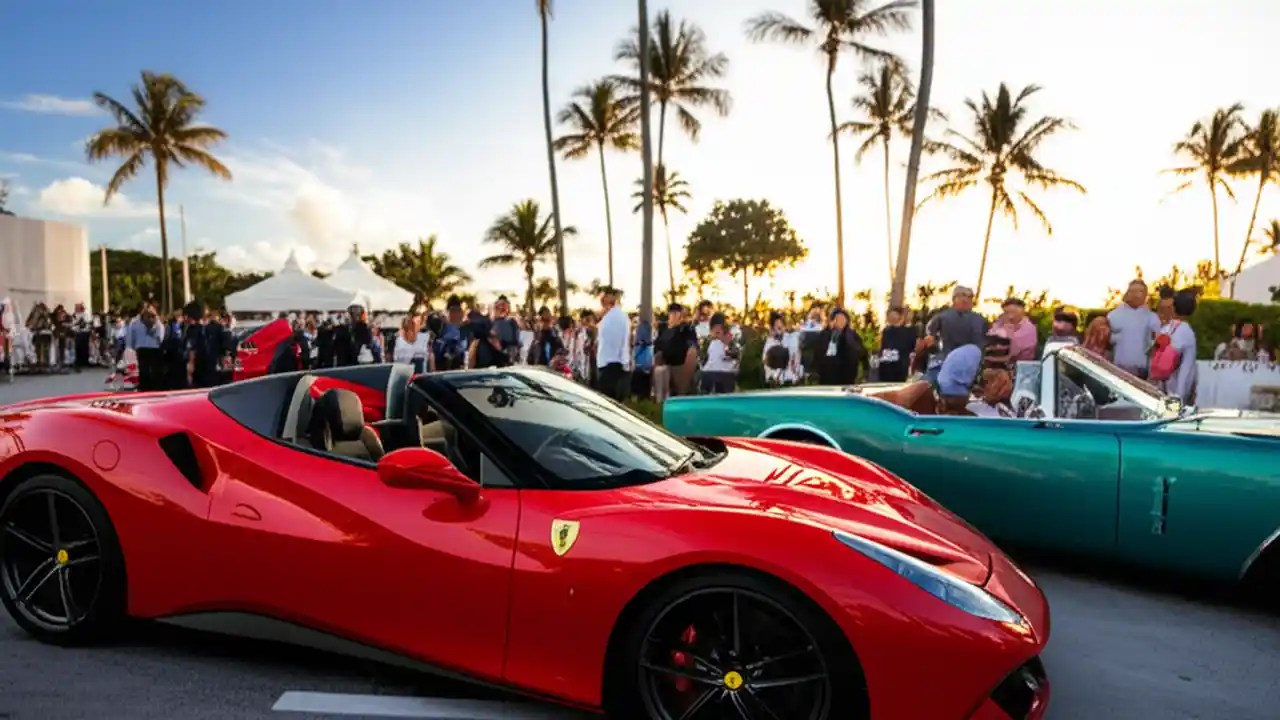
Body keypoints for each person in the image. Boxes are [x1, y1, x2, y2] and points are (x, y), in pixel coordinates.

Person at [925, 286, 989, 377]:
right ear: (954, 299)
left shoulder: (981, 320)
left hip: (971, 364)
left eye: (969, 297)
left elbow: (985, 342)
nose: (966, 299)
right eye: (963, 296)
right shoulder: (942, 317)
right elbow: (929, 335)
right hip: (945, 360)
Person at [1107, 279, 1161, 378]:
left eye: (1140, 291)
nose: (1136, 295)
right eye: (1133, 291)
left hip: (1142, 371)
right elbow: (1106, 340)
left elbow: (1157, 345)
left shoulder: (1152, 318)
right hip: (1117, 369)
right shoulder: (1113, 315)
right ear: (1128, 293)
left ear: (1145, 295)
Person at [1155, 289, 1198, 403]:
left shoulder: (1165, 329)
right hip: (1176, 389)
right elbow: (1186, 367)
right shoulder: (1187, 331)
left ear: (1173, 307)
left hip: (1162, 384)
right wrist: (1181, 395)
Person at [813, 308, 869, 386]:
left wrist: (865, 368)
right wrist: (815, 371)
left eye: (843, 319)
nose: (841, 321)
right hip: (828, 375)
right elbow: (818, 353)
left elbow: (861, 351)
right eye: (838, 319)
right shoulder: (825, 334)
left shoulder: (852, 335)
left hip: (847, 374)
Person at [656, 303, 699, 401]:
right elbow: (658, 347)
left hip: (681, 365)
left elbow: (692, 345)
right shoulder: (663, 329)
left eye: (676, 313)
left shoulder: (685, 329)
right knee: (660, 372)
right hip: (666, 363)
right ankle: (660, 400)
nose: (674, 315)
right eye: (672, 313)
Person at [595, 287, 631, 401]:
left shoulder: (615, 316)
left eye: (604, 296)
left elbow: (620, 341)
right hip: (613, 363)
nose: (602, 300)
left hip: (611, 364)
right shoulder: (611, 316)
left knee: (609, 401)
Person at [127, 304, 164, 391]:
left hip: (142, 348)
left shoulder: (134, 322)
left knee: (143, 370)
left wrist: (132, 347)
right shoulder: (157, 322)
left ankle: (144, 389)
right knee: (155, 371)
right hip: (155, 348)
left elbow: (130, 338)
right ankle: (154, 388)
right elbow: (161, 337)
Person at [699, 313, 739, 394]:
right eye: (714, 329)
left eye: (719, 329)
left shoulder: (730, 342)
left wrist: (727, 344)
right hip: (709, 374)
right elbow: (704, 359)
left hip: (725, 375)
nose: (717, 332)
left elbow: (734, 355)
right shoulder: (709, 343)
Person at [992, 298, 1038, 364]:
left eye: (1013, 312)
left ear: (1021, 312)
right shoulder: (1003, 321)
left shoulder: (1029, 328)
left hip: (1021, 364)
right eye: (1006, 313)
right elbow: (993, 333)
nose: (1010, 316)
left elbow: (1014, 350)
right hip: (1003, 361)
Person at [877, 307, 917, 383]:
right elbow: (884, 347)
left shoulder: (909, 331)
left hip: (900, 365)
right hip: (887, 365)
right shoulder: (887, 330)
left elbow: (912, 347)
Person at [763, 311, 803, 386]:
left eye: (782, 326)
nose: (781, 330)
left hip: (791, 380)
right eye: (778, 327)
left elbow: (796, 357)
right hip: (776, 382)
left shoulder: (791, 339)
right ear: (772, 328)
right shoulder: (770, 343)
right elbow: (766, 362)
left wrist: (796, 373)